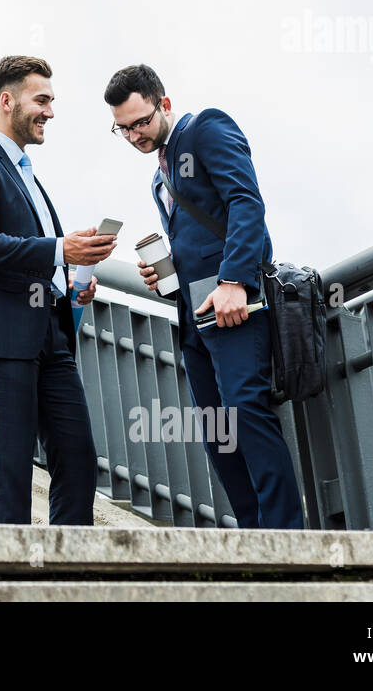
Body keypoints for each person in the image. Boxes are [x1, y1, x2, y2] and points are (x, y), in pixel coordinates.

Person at [104, 63, 304, 529]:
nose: (134, 135)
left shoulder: (206, 127)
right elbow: (196, 239)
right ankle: (256, 539)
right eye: (123, 129)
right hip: (192, 312)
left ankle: (288, 537)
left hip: (235, 302)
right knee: (220, 431)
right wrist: (164, 274)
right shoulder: (158, 177)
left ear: (164, 104)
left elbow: (246, 201)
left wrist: (234, 280)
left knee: (246, 411)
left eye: (141, 122)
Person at [0, 56, 115, 525]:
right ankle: (10, 576)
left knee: (78, 458)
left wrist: (70, 283)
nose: (50, 112)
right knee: (13, 458)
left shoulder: (27, 174)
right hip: (2, 336)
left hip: (50, 336)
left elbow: (34, 252)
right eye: (41, 100)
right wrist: (62, 249)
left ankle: (69, 574)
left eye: (52, 101)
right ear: (6, 101)